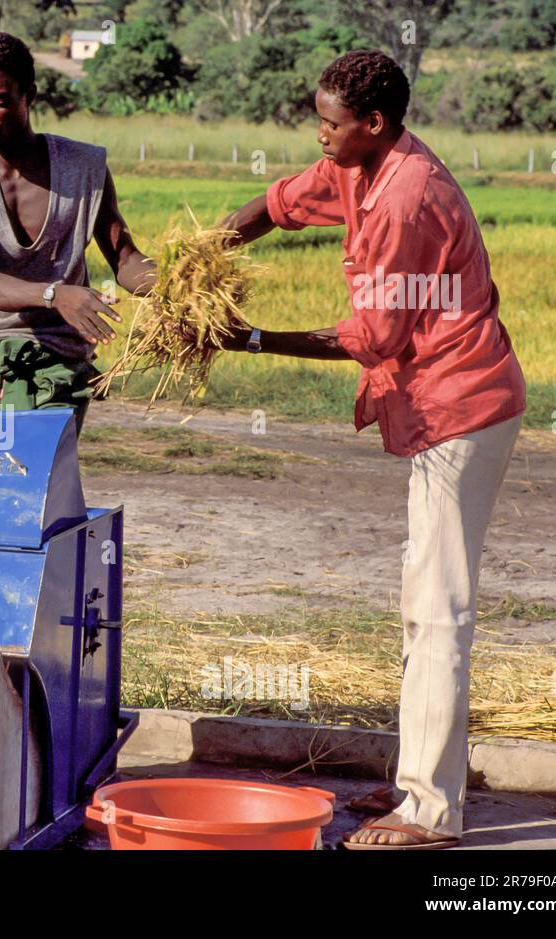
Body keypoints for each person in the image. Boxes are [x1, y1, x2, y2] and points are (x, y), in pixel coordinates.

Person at [219, 50, 526, 849]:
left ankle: (430, 814)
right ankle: (418, 787)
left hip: (462, 407)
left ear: (374, 124)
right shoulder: (357, 166)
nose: (318, 134)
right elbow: (281, 203)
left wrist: (249, 337)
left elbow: (373, 335)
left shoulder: (405, 200)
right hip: (436, 405)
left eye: (328, 122)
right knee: (422, 606)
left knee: (439, 613)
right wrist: (203, 255)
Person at [0, 31, 155, 435]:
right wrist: (54, 294)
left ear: (29, 94)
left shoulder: (85, 167)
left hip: (60, 353)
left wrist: (178, 288)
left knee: (44, 477)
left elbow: (125, 259)